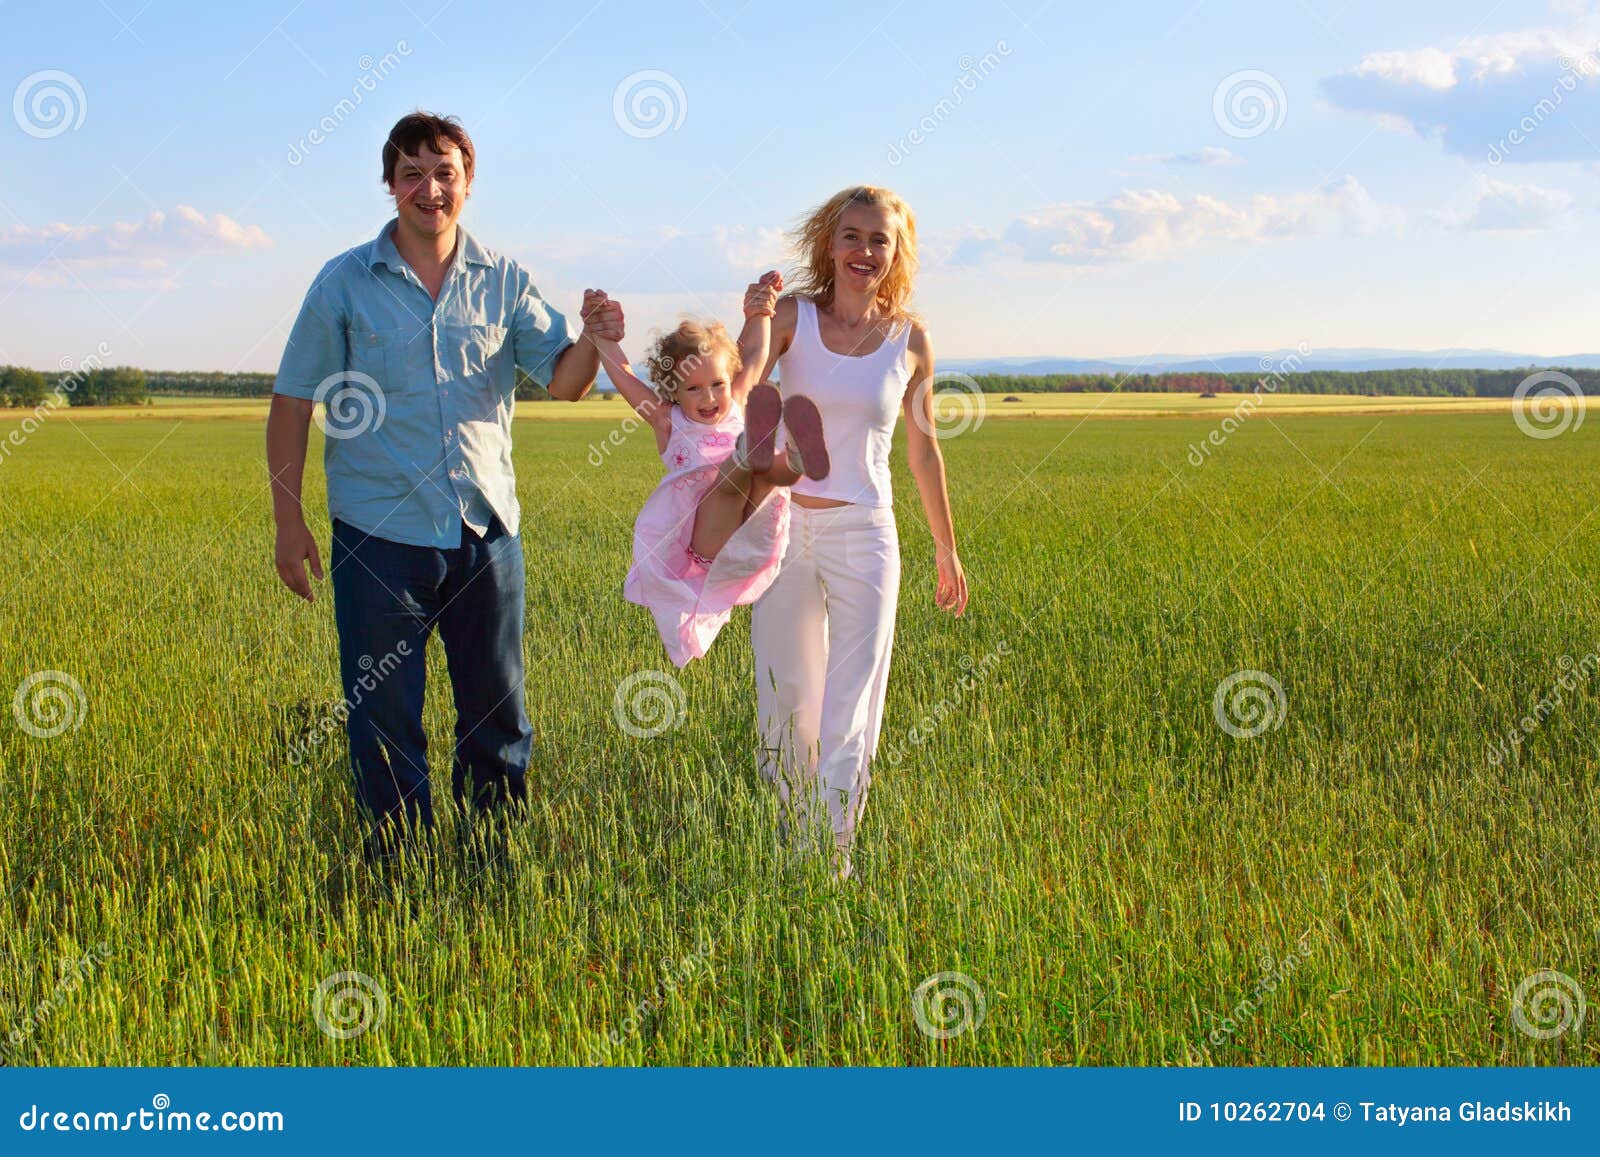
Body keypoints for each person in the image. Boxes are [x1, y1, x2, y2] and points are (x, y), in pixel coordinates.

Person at [265, 111, 622, 862]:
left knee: (499, 710)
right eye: (413, 173)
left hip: (484, 533)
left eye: (445, 172)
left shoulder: (505, 281)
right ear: (390, 184)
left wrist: (593, 338)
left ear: (468, 181)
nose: (430, 189)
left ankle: (494, 858)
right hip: (377, 536)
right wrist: (288, 522)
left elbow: (564, 384)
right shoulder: (344, 283)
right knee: (384, 715)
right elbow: (295, 399)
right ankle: (401, 871)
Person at [752, 186, 969, 880]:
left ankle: (832, 861)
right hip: (785, 531)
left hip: (866, 536)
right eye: (852, 236)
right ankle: (793, 846)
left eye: (880, 239)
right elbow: (742, 387)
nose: (864, 251)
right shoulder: (793, 318)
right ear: (829, 243)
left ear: (896, 252)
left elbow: (924, 450)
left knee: (853, 704)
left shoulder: (911, 340)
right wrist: (754, 320)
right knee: (786, 699)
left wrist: (945, 546)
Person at [591, 272, 830, 666]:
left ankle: (798, 456)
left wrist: (760, 311)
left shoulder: (737, 398)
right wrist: (603, 340)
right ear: (672, 390)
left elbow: (753, 355)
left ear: (728, 379)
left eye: (717, 384)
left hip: (756, 533)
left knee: (771, 478)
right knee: (729, 486)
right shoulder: (668, 421)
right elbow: (626, 379)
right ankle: (750, 454)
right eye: (693, 389)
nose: (709, 397)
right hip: (712, 544)